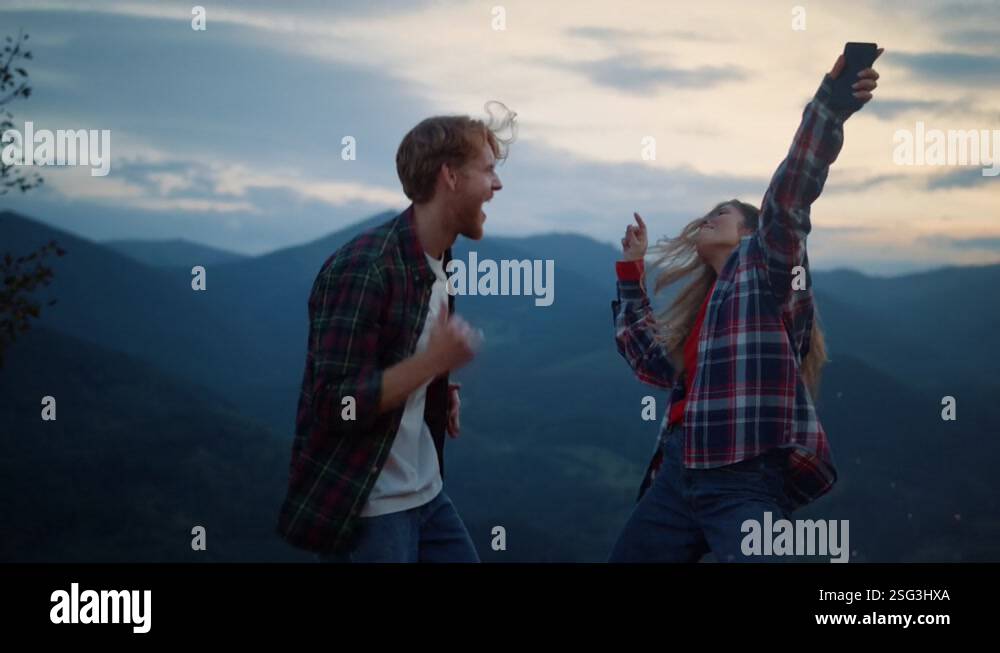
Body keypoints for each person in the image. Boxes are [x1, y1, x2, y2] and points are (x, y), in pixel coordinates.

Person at [608, 50, 882, 562]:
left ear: (751, 233)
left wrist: (829, 106)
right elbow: (650, 361)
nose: (708, 218)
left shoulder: (767, 266)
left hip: (742, 479)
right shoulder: (709, 308)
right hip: (677, 474)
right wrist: (631, 271)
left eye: (723, 213)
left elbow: (789, 197)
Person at [276, 104, 515, 562]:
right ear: (450, 176)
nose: (497, 185)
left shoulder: (439, 262)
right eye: (488, 170)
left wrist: (431, 387)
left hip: (427, 496)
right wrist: (430, 365)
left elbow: (394, 363)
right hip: (371, 510)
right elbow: (334, 405)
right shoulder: (364, 268)